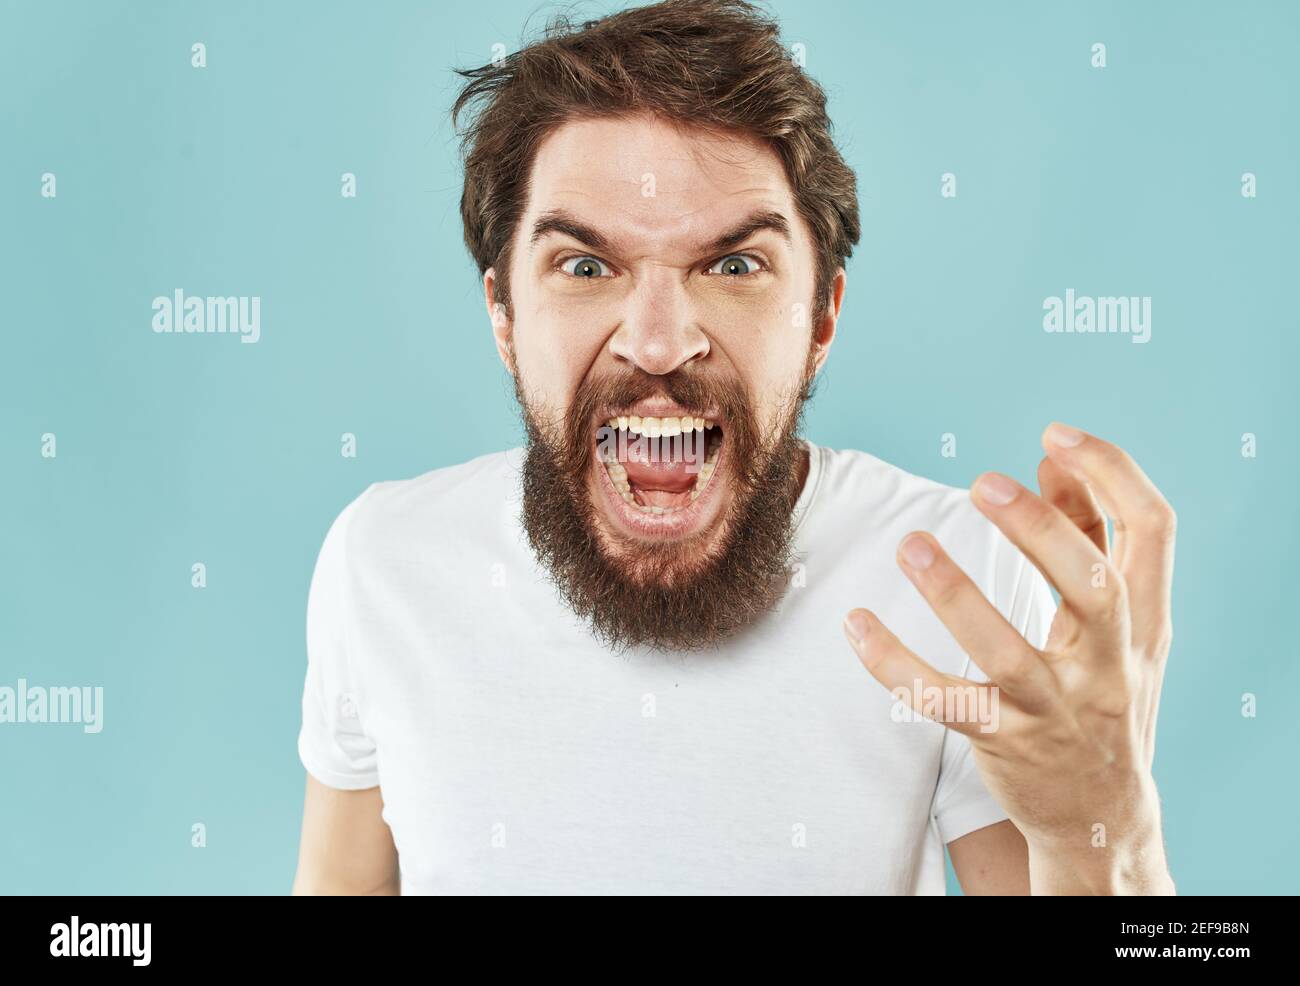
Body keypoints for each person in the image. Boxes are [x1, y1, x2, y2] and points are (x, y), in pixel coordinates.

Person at [292, 0, 1176, 895]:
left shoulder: (956, 584)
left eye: (734, 266)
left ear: (822, 316)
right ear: (504, 316)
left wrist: (1105, 836)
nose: (660, 342)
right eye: (587, 267)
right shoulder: (384, 565)